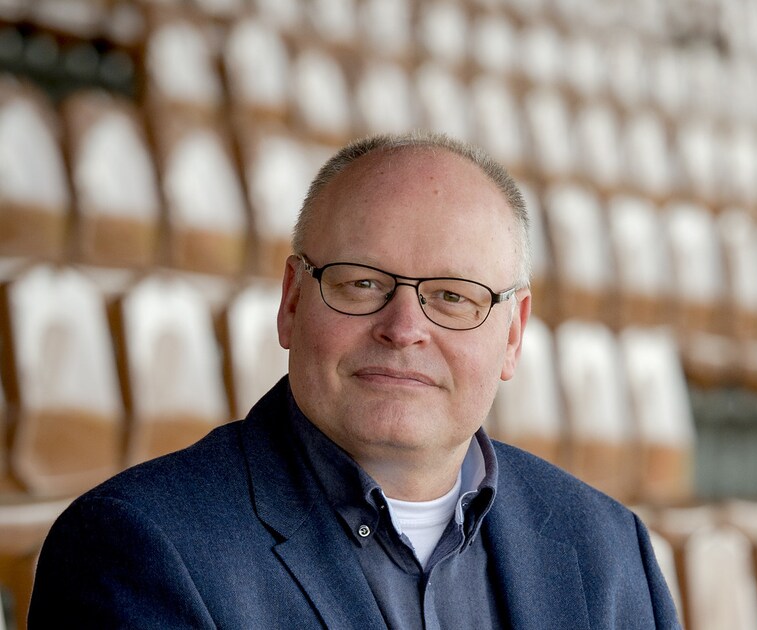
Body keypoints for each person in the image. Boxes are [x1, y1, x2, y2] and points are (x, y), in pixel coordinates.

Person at [29, 131, 681, 628]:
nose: (404, 328)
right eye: (363, 283)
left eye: (453, 296)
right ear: (291, 303)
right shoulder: (138, 546)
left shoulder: (608, 549)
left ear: (513, 335)